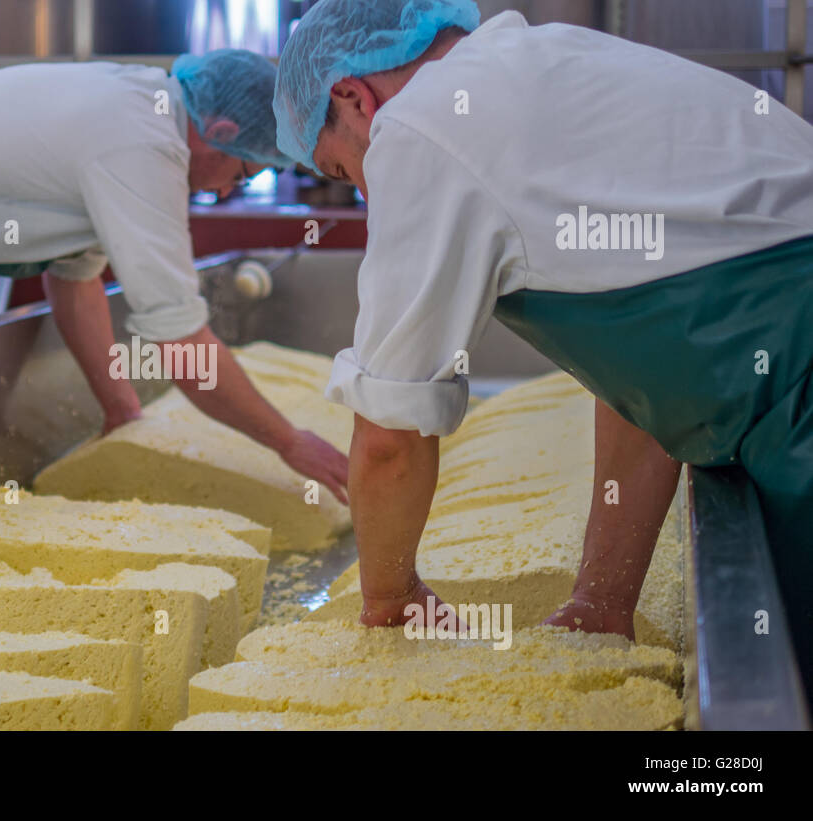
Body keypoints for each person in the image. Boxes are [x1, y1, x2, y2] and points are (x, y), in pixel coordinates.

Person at [275, 0, 813, 678]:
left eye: (340, 171)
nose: (362, 192)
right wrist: (603, 599)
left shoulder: (421, 127)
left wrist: (389, 598)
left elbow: (390, 437)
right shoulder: (553, 61)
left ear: (353, 98)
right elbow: (644, 379)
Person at [0, 49, 349, 502]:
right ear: (220, 129)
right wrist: (290, 443)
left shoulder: (139, 109)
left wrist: (122, 410)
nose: (226, 192)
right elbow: (181, 341)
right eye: (242, 174)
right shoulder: (142, 143)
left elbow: (76, 283)